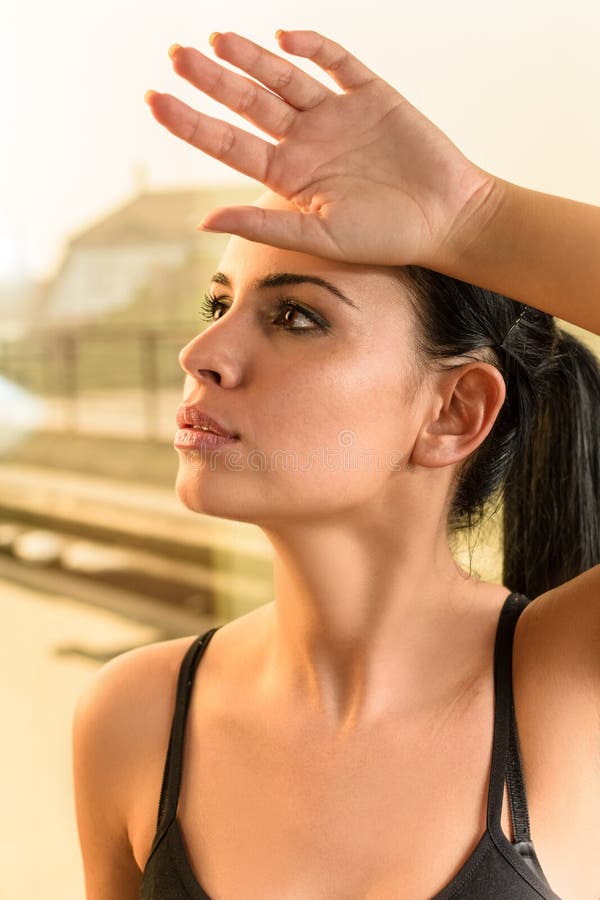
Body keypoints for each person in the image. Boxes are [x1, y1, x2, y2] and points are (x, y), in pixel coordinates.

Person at [72, 29, 600, 900]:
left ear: (454, 412)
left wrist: (479, 217)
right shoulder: (133, 718)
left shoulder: (573, 683)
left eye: (296, 319)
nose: (202, 352)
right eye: (220, 303)